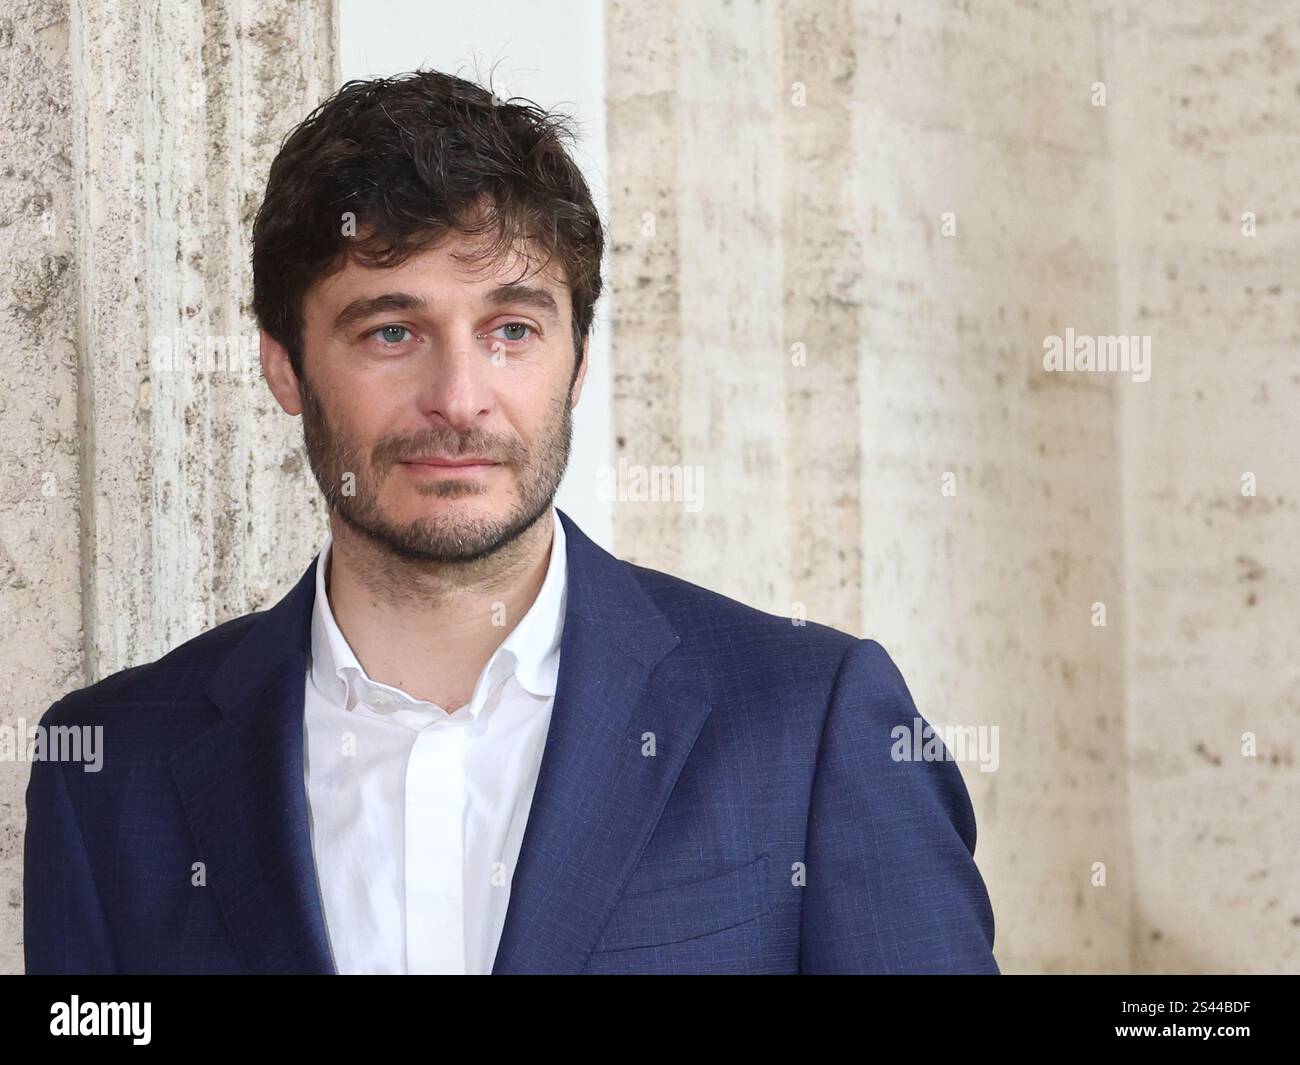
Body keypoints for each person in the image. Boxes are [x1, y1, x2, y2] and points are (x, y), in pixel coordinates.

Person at [24, 69, 998, 974]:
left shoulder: (811, 722)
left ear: (575, 364)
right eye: (391, 332)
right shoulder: (109, 770)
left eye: (512, 331)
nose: (459, 398)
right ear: (286, 365)